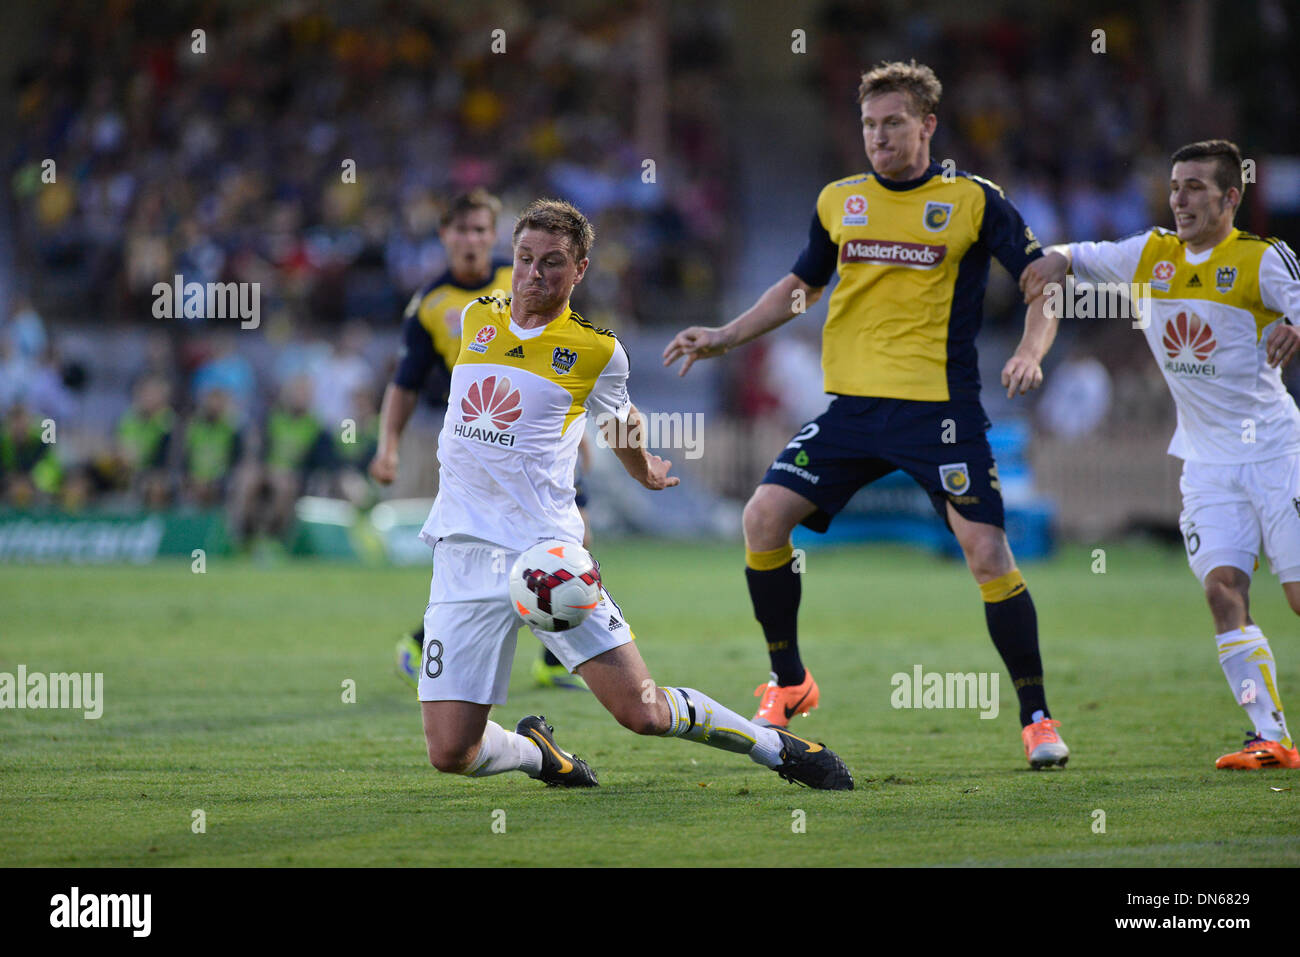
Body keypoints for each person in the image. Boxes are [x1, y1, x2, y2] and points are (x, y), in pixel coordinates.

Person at [664, 60, 1069, 769]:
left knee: (987, 552)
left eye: (893, 123)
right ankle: (790, 681)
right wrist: (725, 335)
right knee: (761, 517)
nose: (879, 137)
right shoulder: (839, 201)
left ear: (927, 125)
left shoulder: (974, 202)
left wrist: (1033, 350)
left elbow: (1042, 283)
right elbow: (800, 288)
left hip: (940, 412)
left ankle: (1037, 717)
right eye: (869, 125)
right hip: (852, 411)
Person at [416, 197, 853, 790]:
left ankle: (776, 747)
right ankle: (540, 755)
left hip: (547, 558)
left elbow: (619, 420)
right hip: (461, 551)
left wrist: (642, 465)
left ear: (580, 269)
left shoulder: (597, 352)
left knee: (642, 712)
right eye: (523, 258)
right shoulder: (475, 318)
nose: (534, 274)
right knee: (451, 753)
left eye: (551, 262)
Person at [1021, 139, 1300, 770]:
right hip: (1205, 461)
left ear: (1232, 197)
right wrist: (1050, 263)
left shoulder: (1261, 260)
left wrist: (1296, 325)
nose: (1181, 199)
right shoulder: (1149, 254)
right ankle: (1272, 736)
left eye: (1197, 187)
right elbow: (1075, 255)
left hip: (1277, 452)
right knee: (1224, 590)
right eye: (1176, 186)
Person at [368, 190, 583, 690]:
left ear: (496, 237)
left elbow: (564, 352)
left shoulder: (523, 278)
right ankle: (428, 641)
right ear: (445, 235)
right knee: (511, 557)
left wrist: (580, 433)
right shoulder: (430, 305)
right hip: (482, 444)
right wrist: (388, 447)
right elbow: (405, 382)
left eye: (482, 230)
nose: (472, 240)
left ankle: (550, 657)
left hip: (540, 439)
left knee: (572, 539)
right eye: (462, 230)